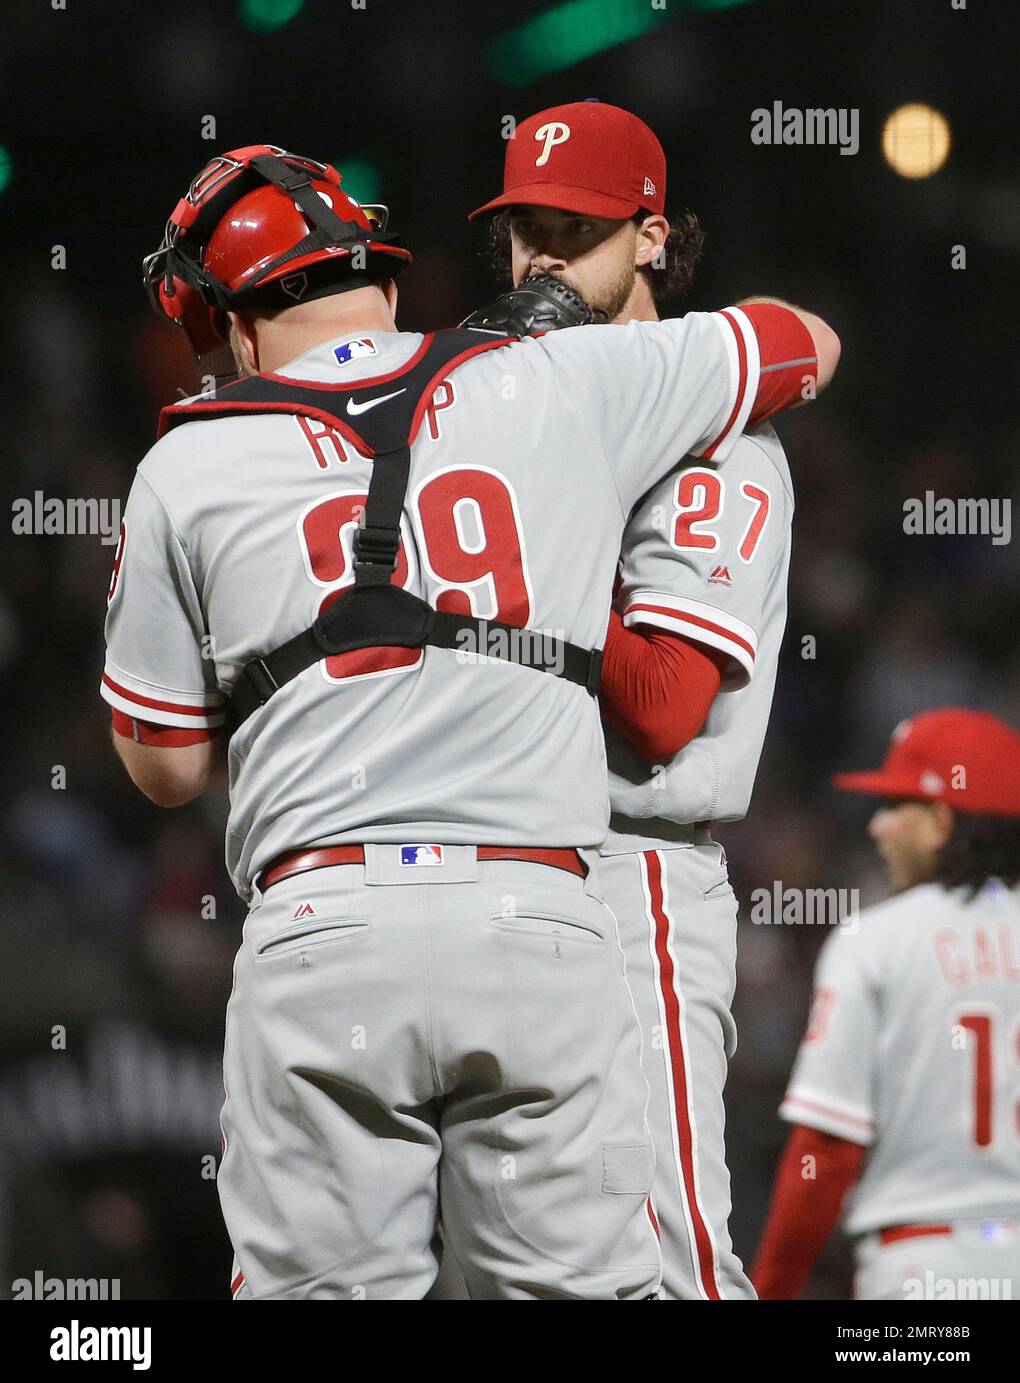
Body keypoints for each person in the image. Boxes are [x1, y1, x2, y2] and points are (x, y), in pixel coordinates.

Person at [105, 143, 838, 1299]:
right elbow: (805, 340)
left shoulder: (186, 464)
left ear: (229, 328)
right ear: (389, 281)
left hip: (323, 924)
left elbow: (164, 767)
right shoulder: (549, 383)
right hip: (543, 910)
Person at [467, 99, 809, 1298]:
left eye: (579, 227)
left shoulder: (722, 441)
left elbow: (664, 705)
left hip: (632, 871)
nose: (543, 257)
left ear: (654, 238)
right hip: (491, 863)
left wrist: (526, 556)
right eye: (524, 231)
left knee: (670, 1263)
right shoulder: (499, 419)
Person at [752, 709, 1020, 1300]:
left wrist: (771, 1288)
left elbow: (825, 1151)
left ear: (941, 821)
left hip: (925, 1267)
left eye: (895, 805)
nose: (877, 826)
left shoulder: (876, 938)